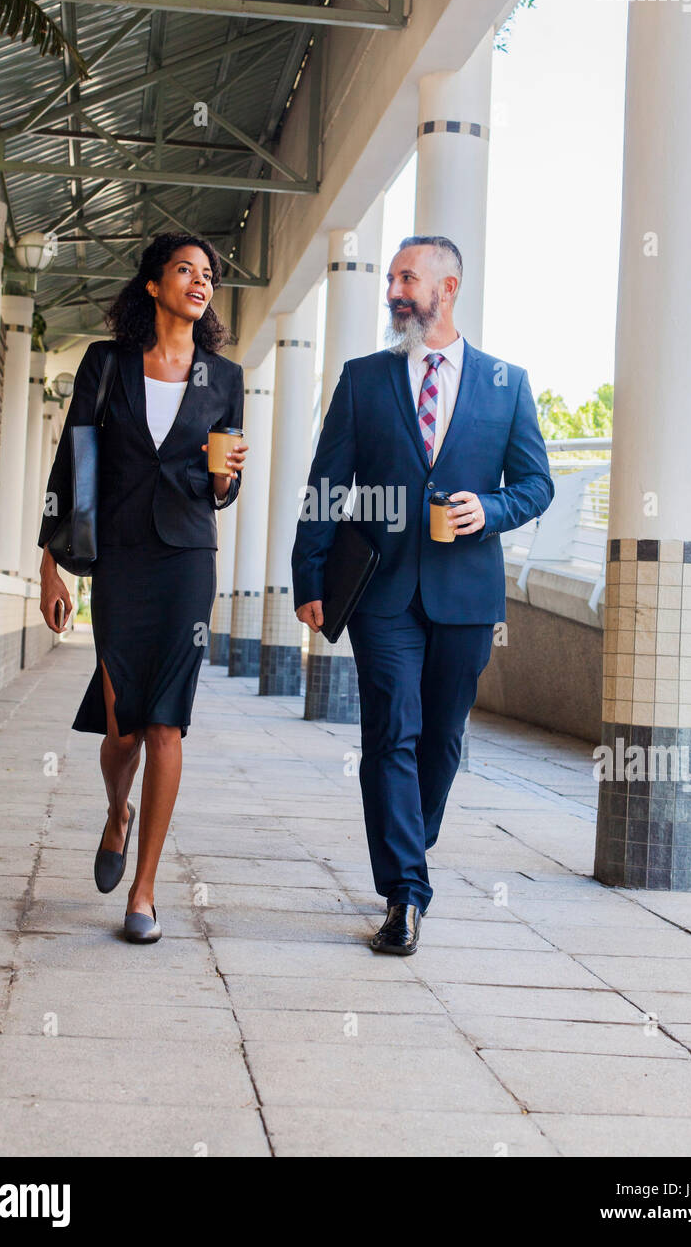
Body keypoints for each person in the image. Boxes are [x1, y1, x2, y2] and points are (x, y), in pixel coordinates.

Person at [292, 235, 554, 955]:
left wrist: (490, 511)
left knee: (441, 738)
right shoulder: (363, 379)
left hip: (466, 594)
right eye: (391, 278)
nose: (393, 291)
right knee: (391, 733)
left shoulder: (507, 383)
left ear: (448, 287)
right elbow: (326, 484)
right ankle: (405, 892)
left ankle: (413, 843)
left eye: (408, 278)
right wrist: (309, 576)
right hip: (381, 591)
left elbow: (537, 483)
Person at [37, 233, 247, 944]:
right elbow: (74, 460)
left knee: (166, 721)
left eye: (208, 274)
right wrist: (50, 564)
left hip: (187, 554)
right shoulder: (108, 364)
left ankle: (146, 889)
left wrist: (226, 474)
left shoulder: (224, 378)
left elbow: (224, 487)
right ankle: (116, 811)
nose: (200, 280)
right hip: (122, 557)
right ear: (154, 285)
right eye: (184, 269)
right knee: (123, 724)